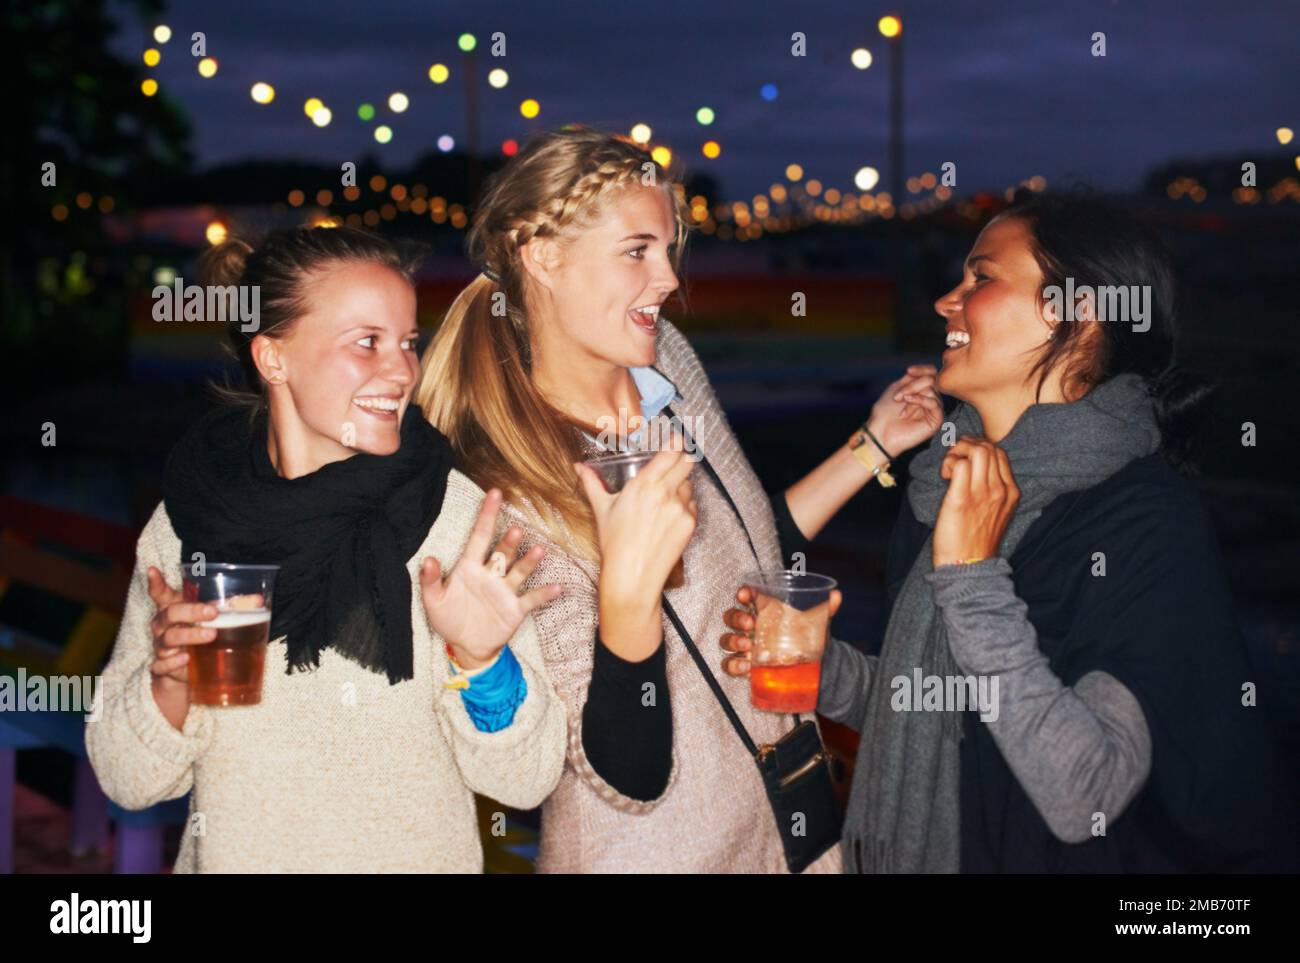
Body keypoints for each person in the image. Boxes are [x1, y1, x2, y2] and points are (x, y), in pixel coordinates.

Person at [721, 191, 1299, 872]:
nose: (946, 300)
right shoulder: (944, 484)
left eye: (981, 277)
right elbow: (944, 718)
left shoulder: (1144, 518)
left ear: (1080, 316)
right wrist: (827, 670)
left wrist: (972, 580)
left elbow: (1087, 787)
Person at [417, 127, 942, 872]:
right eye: (637, 250)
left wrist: (873, 445)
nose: (667, 278)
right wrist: (627, 596)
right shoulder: (504, 490)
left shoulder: (668, 362)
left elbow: (751, 540)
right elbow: (621, 774)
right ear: (543, 256)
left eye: (668, 249)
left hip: (793, 825)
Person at [86, 227, 568, 872]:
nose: (401, 370)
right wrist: (169, 683)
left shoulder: (455, 521)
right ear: (273, 358)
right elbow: (129, 780)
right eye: (366, 342)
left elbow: (525, 781)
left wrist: (482, 662)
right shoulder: (193, 520)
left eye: (406, 343)